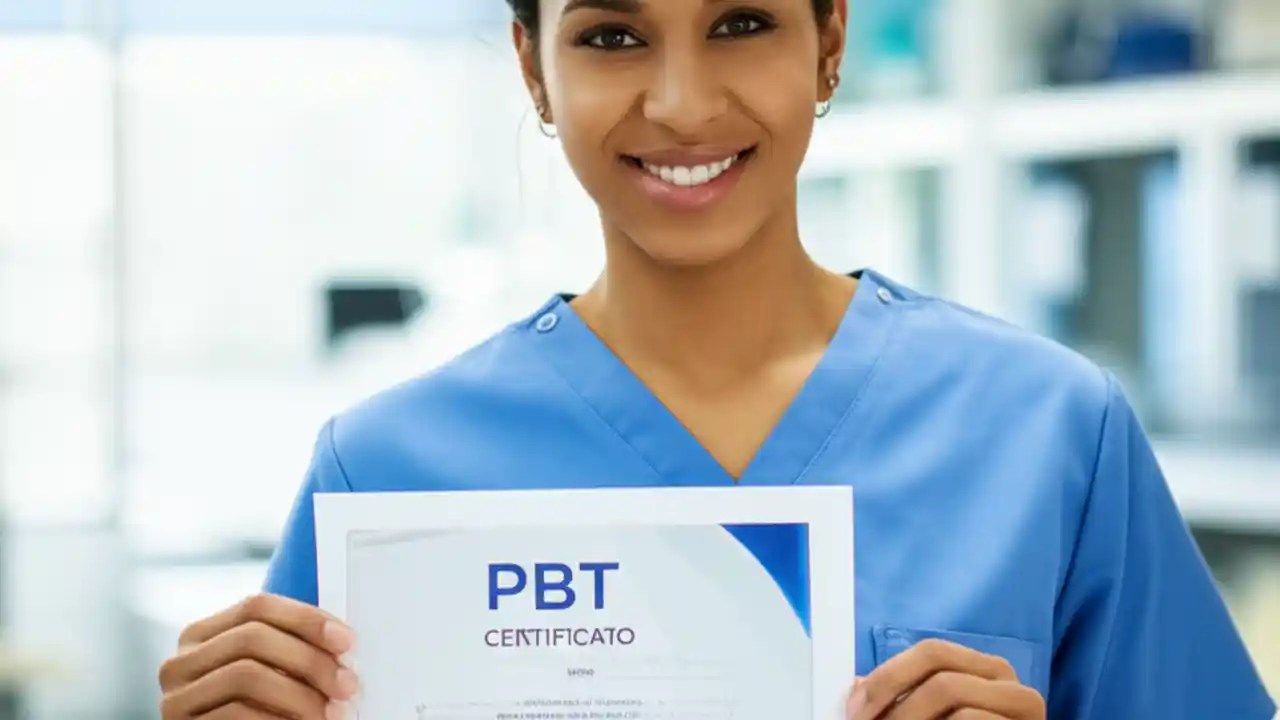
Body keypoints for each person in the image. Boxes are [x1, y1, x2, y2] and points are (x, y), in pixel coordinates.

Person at [158, 0, 1278, 718]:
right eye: (610, 36)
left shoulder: (1047, 432)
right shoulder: (384, 472)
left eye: (740, 22)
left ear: (830, 40)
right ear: (533, 69)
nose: (682, 104)